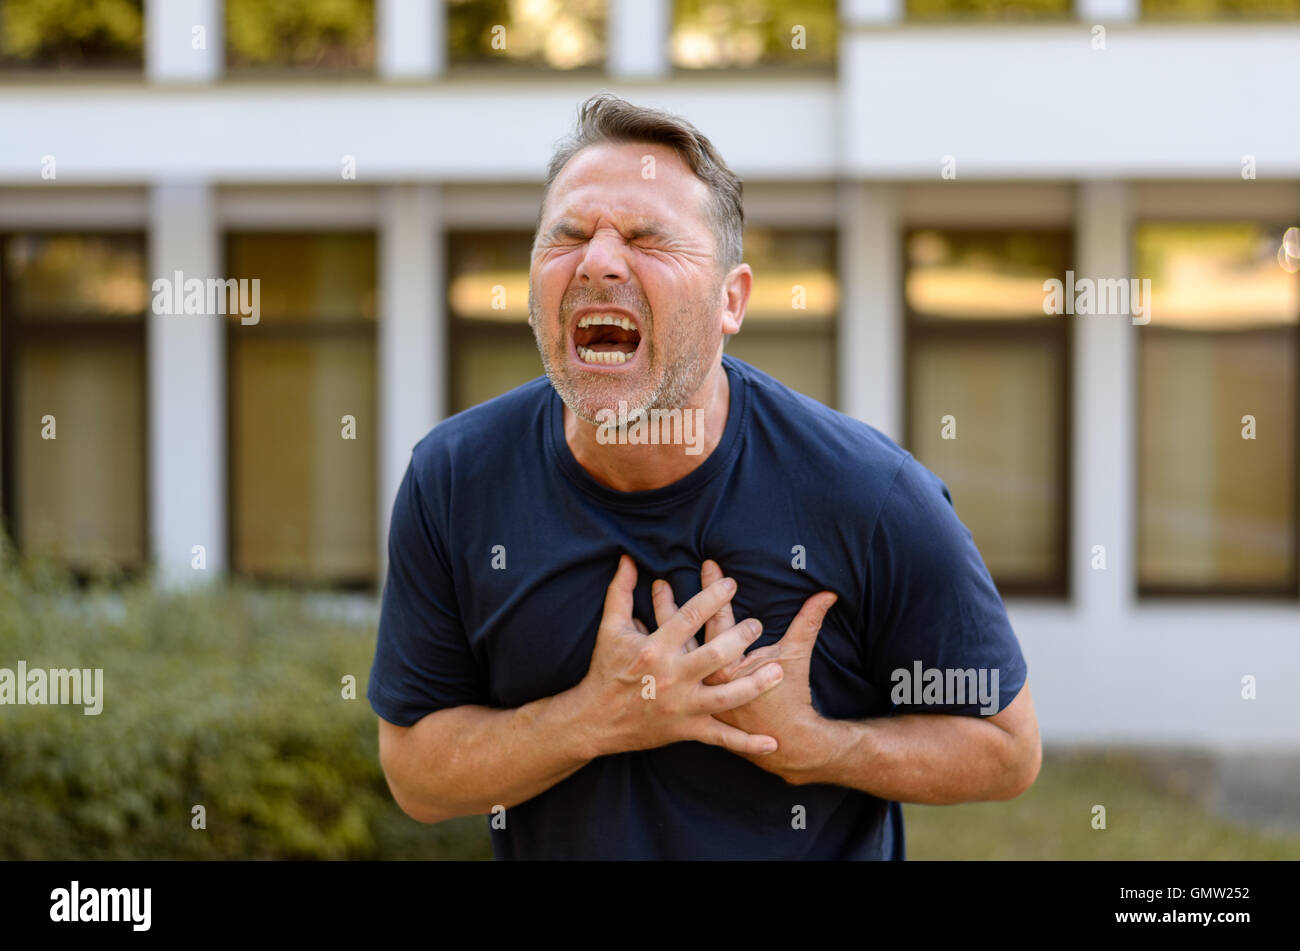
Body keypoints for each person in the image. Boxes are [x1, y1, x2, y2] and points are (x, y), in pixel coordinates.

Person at [368, 93, 1040, 860]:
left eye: (647, 238)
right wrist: (594, 717)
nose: (598, 260)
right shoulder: (455, 481)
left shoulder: (869, 494)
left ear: (732, 300)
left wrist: (820, 745)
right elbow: (416, 774)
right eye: (569, 236)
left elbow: (1007, 747)